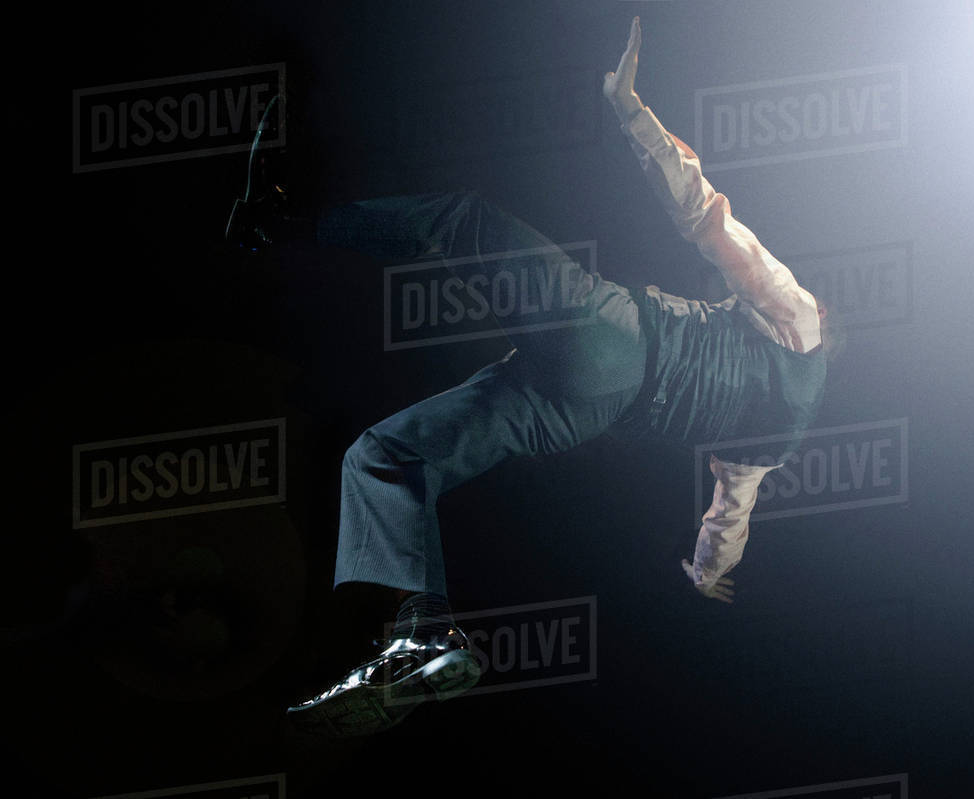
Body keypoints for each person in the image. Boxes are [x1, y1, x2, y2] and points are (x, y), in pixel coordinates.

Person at [264, 17, 831, 736]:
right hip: (583, 412)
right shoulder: (770, 441)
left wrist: (631, 109)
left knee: (463, 219)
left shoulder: (800, 316)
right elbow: (727, 519)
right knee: (386, 455)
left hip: (614, 338)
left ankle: (281, 222)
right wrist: (705, 573)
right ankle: (424, 632)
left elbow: (705, 213)